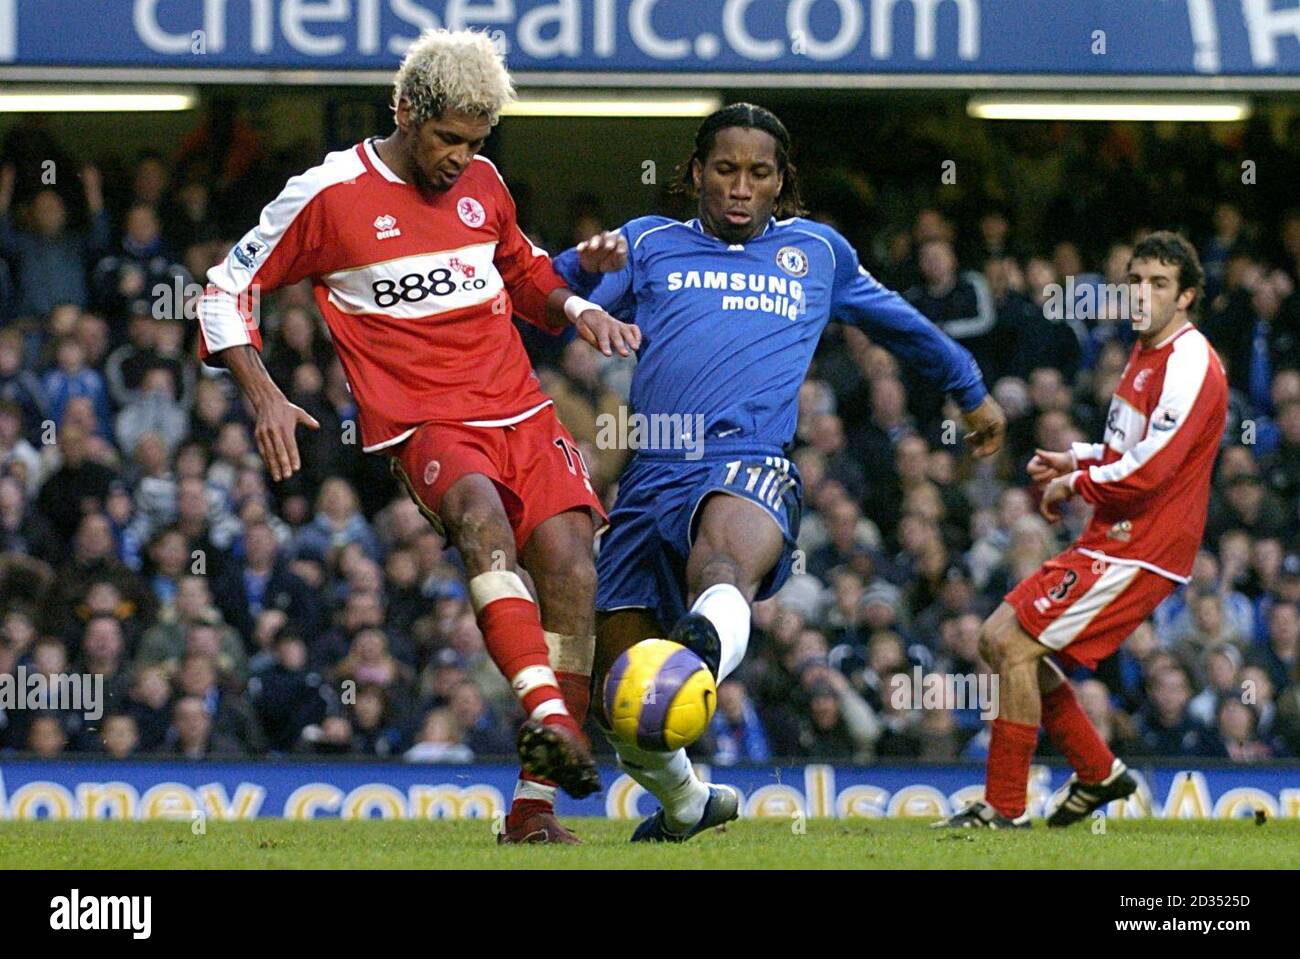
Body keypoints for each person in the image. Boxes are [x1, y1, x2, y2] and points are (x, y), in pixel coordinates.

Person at [195, 28, 640, 844]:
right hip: (427, 422)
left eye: (474, 143)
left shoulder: (484, 183)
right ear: (404, 111)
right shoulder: (329, 193)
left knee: (575, 571)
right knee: (482, 522)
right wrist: (261, 393)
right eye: (445, 139)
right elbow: (223, 293)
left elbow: (525, 273)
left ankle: (532, 810)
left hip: (522, 411)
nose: (458, 159)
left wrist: (580, 306)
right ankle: (551, 715)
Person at [554, 102, 1004, 841]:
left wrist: (971, 388)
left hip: (748, 461)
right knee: (624, 701)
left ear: (780, 182)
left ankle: (701, 652)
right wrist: (578, 267)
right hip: (649, 477)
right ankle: (689, 803)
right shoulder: (647, 243)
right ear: (696, 172)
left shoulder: (818, 253)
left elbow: (900, 323)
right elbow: (545, 308)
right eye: (725, 170)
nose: (740, 187)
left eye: (758, 174)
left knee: (722, 562)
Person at [936, 232, 1229, 829]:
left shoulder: (1190, 359)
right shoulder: (1146, 352)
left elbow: (1155, 466)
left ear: (1188, 296)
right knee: (999, 642)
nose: (1142, 295)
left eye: (1159, 284)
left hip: (1143, 546)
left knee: (1009, 644)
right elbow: (1129, 447)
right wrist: (1075, 459)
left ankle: (1005, 808)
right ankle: (1099, 774)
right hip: (1116, 536)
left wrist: (1079, 485)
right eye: (1135, 282)